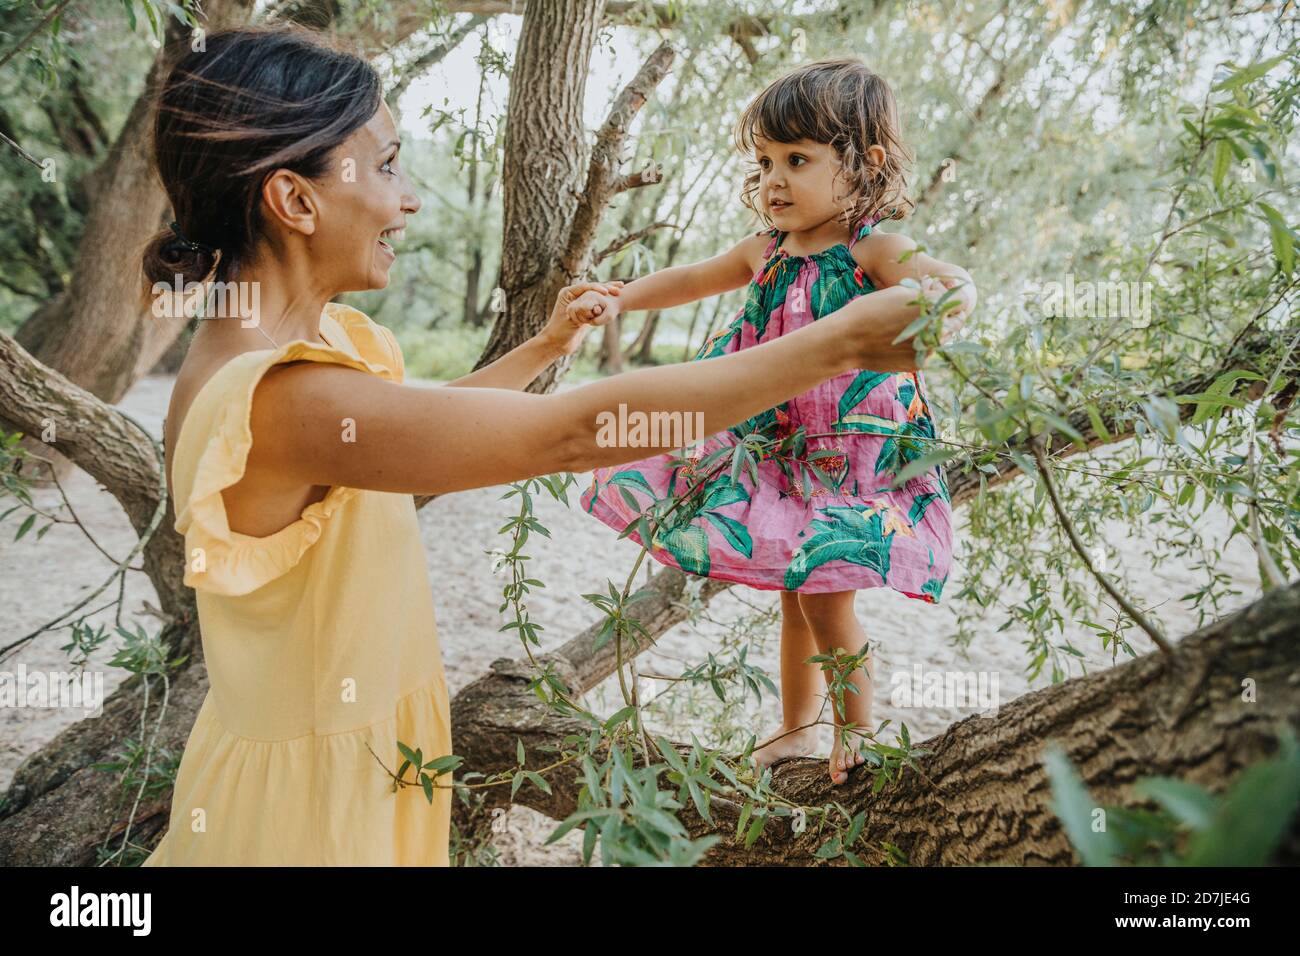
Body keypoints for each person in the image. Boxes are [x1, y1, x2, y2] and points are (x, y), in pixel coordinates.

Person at [141, 27, 961, 866]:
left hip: (344, 770)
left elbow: (426, 429)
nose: (411, 199)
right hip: (306, 823)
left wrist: (544, 346)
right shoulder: (279, 399)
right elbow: (574, 433)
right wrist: (835, 346)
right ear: (295, 200)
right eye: (387, 166)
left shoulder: (301, 363)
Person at [573, 58, 977, 785]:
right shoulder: (767, 251)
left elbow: (940, 282)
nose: (774, 180)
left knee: (825, 603)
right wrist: (619, 297)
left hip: (844, 460)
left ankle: (856, 733)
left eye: (797, 159)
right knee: (800, 594)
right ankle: (796, 728)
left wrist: (953, 295)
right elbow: (693, 277)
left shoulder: (871, 247)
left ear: (864, 163)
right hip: (775, 449)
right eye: (764, 162)